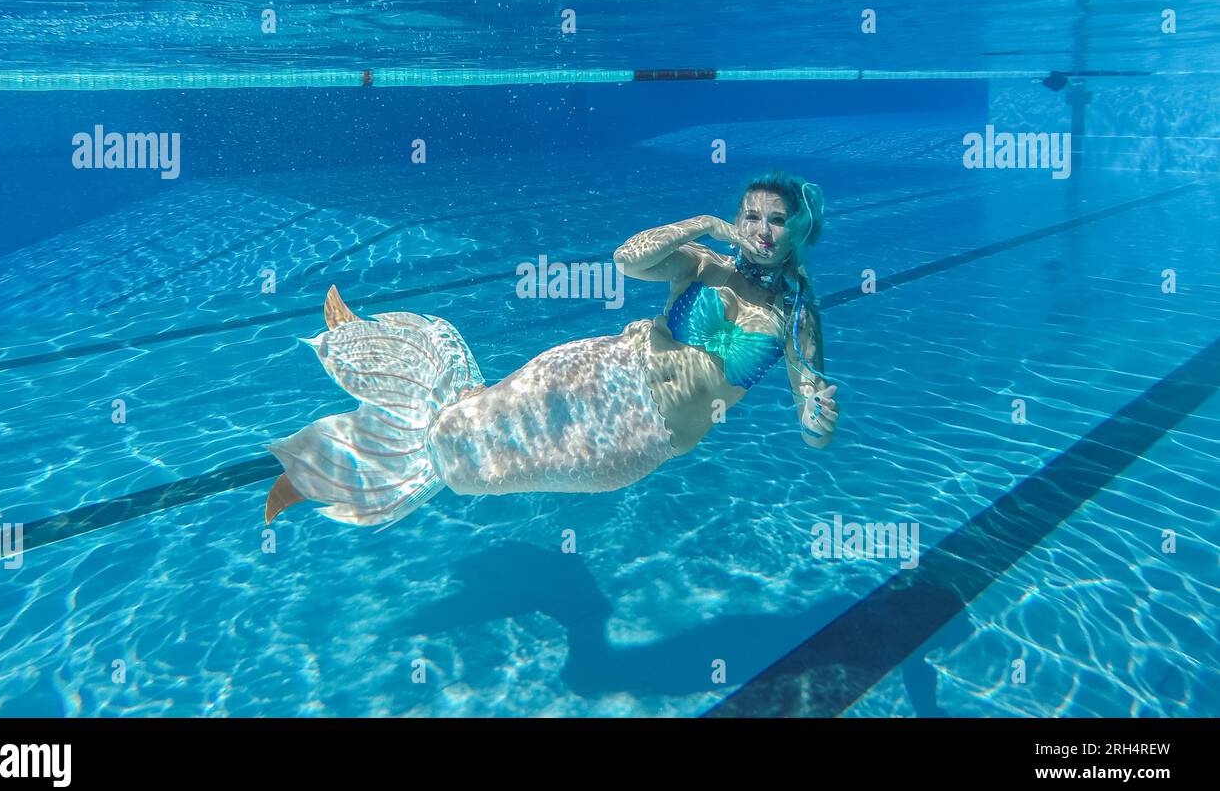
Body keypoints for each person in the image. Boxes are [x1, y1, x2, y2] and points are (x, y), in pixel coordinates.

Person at [264, 172, 838, 531]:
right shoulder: (704, 263)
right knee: (461, 423)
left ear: (800, 230)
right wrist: (705, 223)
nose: (760, 230)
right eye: (750, 215)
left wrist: (818, 419)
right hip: (604, 370)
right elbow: (627, 260)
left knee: (470, 468)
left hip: (646, 438)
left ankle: (340, 469)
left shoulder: (796, 317)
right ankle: (324, 465)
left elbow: (812, 423)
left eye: (776, 220)